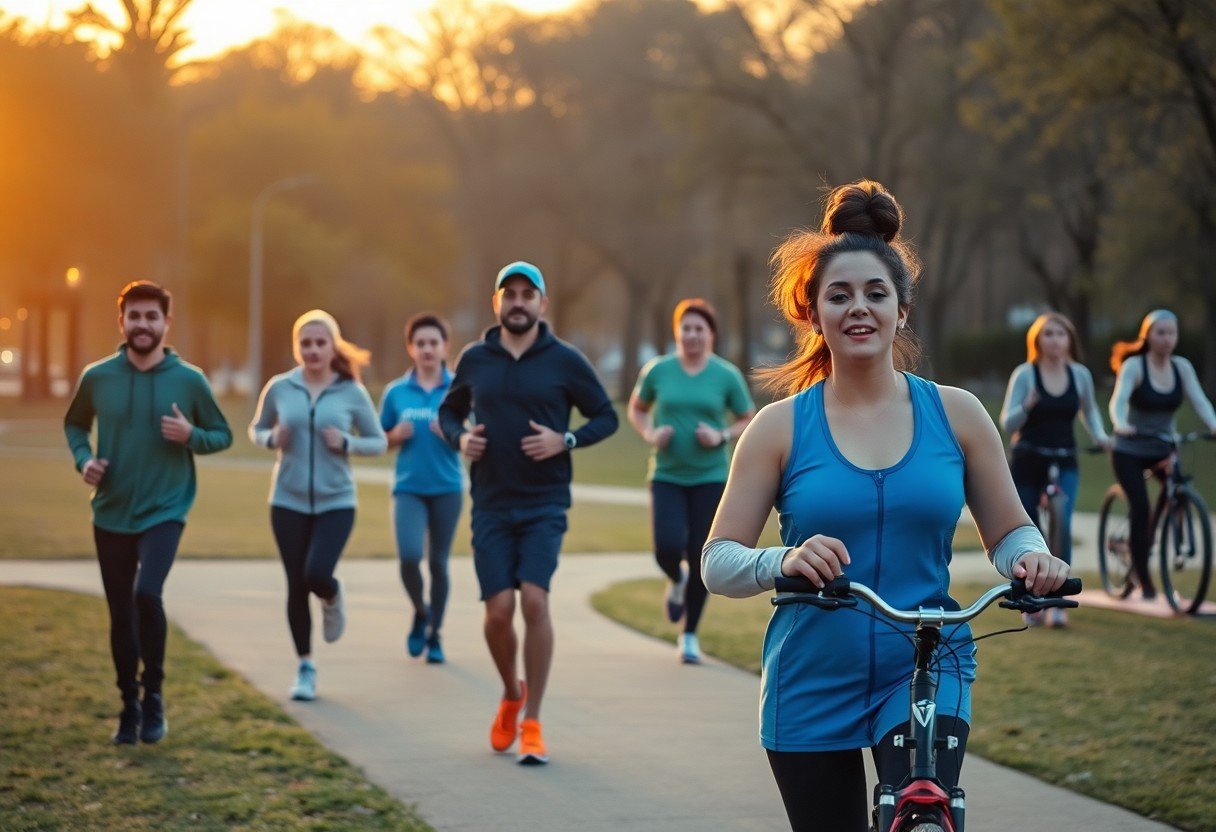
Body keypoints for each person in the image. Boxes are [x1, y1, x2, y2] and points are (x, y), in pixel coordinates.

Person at [700, 181, 1069, 831]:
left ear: (902, 311)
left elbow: (1010, 530)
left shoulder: (957, 415)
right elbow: (717, 562)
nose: (858, 308)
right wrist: (782, 560)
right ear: (813, 314)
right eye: (838, 296)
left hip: (925, 665)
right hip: (809, 681)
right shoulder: (778, 429)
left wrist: (1033, 559)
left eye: (876, 293)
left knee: (920, 813)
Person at [438, 260, 618, 765]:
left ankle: (533, 720)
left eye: (527, 293)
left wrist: (565, 440)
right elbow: (450, 411)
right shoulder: (475, 358)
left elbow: (606, 416)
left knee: (534, 602)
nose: (518, 301)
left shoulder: (564, 360)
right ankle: (511, 694)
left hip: (544, 502)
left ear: (543, 302)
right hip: (491, 502)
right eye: (509, 293)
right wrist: (461, 437)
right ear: (497, 303)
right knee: (497, 613)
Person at [64, 280, 233, 745]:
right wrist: (85, 460)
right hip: (111, 510)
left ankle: (153, 695)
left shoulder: (190, 380)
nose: (143, 325)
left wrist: (191, 436)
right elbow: (76, 424)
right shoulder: (98, 377)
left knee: (147, 595)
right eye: (134, 316)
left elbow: (222, 435)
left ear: (166, 323)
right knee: (121, 613)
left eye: (151, 316)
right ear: (122, 322)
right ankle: (128, 707)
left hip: (166, 507)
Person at [249, 309, 387, 701]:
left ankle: (332, 595)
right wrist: (271, 438)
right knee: (295, 584)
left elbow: (377, 442)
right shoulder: (280, 387)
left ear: (332, 347)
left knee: (317, 574)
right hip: (287, 500)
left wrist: (347, 443)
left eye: (319, 342)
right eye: (305, 343)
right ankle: (305, 667)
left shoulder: (350, 392)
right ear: (297, 348)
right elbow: (256, 430)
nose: (312, 350)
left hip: (336, 501)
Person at [628, 298, 754, 663]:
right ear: (677, 332)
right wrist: (651, 433)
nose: (692, 335)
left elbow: (748, 416)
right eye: (686, 328)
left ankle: (689, 636)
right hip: (666, 474)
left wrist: (722, 436)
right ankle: (676, 579)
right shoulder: (658, 371)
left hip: (710, 477)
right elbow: (637, 408)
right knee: (666, 547)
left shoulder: (726, 375)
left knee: (702, 556)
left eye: (700, 329)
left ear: (710, 334)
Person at [999, 312, 1111, 626]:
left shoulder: (1080, 375)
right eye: (1048, 334)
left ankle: (1058, 605)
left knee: (1062, 527)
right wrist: (1028, 405)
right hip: (1028, 458)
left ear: (1069, 340)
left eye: (1060, 333)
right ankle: (1031, 603)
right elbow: (1008, 422)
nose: (1055, 339)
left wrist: (1100, 437)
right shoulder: (1026, 374)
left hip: (1065, 458)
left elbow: (1090, 412)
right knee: (1029, 532)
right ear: (1036, 340)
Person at [1108, 309, 1216, 602]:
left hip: (1162, 447)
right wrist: (1121, 424)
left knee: (1179, 486)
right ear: (1148, 336)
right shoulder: (1135, 366)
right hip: (1129, 449)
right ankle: (1142, 577)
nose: (1167, 339)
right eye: (1161, 333)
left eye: (1172, 333)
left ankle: (1161, 532)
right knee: (1140, 508)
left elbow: (1200, 401)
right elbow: (1118, 400)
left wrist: (1213, 424)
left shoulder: (1181, 367)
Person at [380, 313, 464, 664]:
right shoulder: (395, 393)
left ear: (445, 347)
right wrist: (392, 437)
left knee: (439, 565)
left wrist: (454, 436)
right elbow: (376, 441)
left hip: (448, 487)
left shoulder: (460, 388)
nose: (428, 349)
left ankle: (436, 635)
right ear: (410, 349)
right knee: (410, 557)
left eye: (434, 343)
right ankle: (420, 610)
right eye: (421, 343)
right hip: (408, 489)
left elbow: (474, 437)